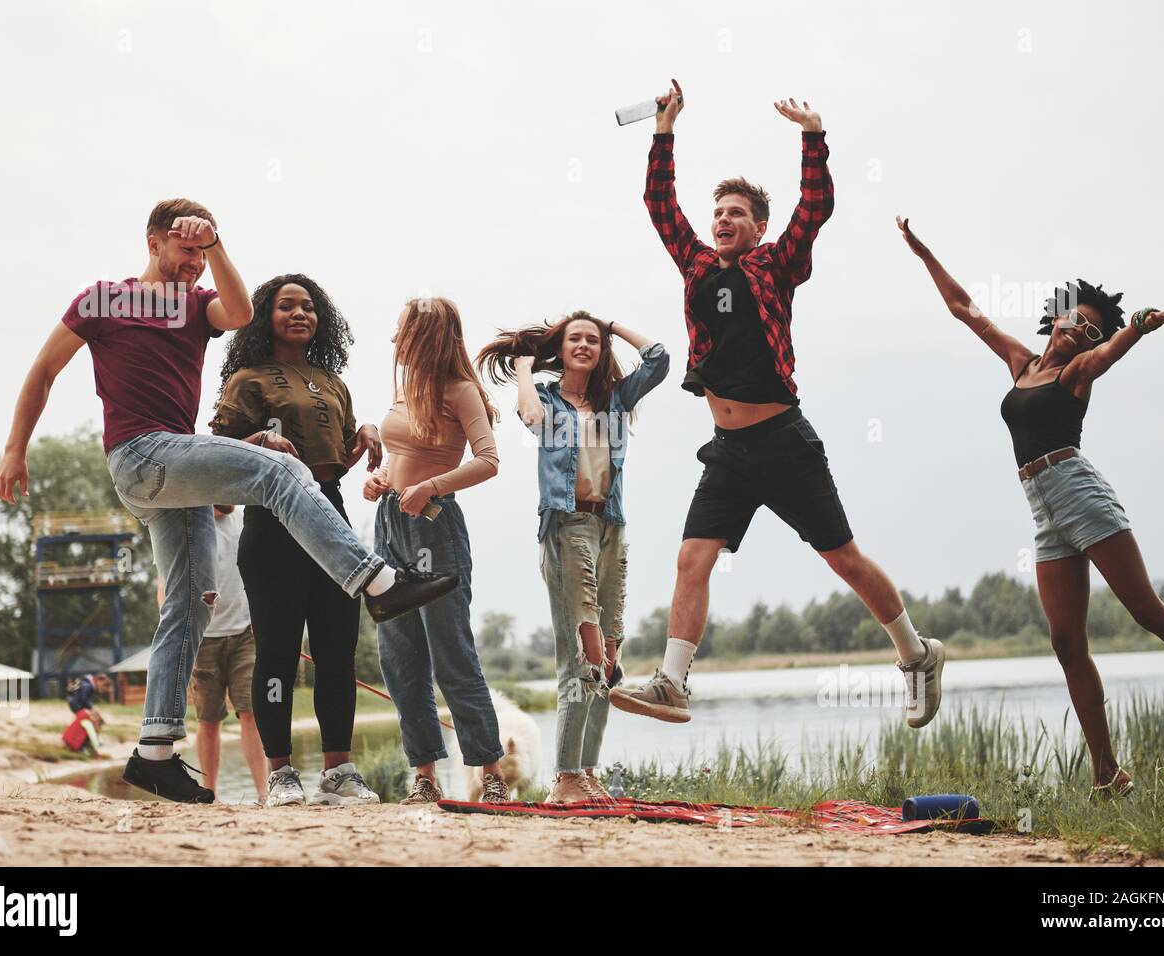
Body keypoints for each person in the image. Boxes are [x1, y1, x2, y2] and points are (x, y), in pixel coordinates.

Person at [0, 200, 458, 803]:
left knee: (190, 602)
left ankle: (155, 751)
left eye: (200, 255)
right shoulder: (103, 299)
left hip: (179, 471)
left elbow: (237, 312)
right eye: (184, 251)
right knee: (276, 466)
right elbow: (43, 371)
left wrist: (214, 245)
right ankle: (376, 583)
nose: (193, 265)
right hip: (141, 453)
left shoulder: (194, 305)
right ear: (153, 241)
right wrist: (13, 449)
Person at [612, 81, 944, 726]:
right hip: (730, 451)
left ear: (758, 227)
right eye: (720, 213)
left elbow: (816, 207)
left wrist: (812, 135)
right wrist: (664, 129)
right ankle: (673, 682)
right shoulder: (697, 267)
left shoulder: (777, 265)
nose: (724, 219)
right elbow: (659, 204)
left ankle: (915, 654)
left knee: (842, 557)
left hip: (784, 442)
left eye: (738, 212)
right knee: (692, 557)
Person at [896, 215, 1164, 796]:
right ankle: (1107, 774)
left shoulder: (1077, 372)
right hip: (1044, 514)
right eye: (1080, 321)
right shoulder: (1022, 362)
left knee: (1147, 612)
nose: (1084, 334)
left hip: (1080, 493)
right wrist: (924, 253)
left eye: (1095, 332)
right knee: (1065, 642)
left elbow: (1109, 355)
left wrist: (1144, 325)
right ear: (1060, 313)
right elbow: (966, 309)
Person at [477, 312, 669, 801]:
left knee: (609, 659)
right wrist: (523, 367)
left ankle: (585, 771)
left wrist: (615, 326)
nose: (584, 345)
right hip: (568, 528)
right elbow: (532, 419)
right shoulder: (546, 399)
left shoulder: (615, 399)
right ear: (559, 349)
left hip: (611, 526)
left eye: (593, 340)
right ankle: (564, 780)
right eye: (574, 339)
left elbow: (660, 359)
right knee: (581, 657)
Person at [211, 274, 383, 807]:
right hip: (272, 520)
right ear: (266, 315)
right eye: (287, 306)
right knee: (278, 654)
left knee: (337, 650)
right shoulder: (247, 379)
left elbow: (336, 458)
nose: (299, 314)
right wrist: (260, 440)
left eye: (308, 307)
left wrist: (367, 433)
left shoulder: (332, 381)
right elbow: (218, 448)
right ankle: (282, 772)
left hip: (329, 512)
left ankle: (340, 771)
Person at [362, 296, 509, 804]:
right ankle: (423, 777)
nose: (393, 340)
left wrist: (433, 487)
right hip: (388, 527)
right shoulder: (405, 391)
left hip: (434, 527)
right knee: (399, 658)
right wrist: (381, 478)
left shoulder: (461, 390)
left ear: (424, 336)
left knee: (452, 657)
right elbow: (401, 457)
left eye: (401, 330)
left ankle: (491, 773)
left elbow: (489, 460)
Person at [157, 505, 269, 804]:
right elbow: (165, 583)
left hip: (246, 631)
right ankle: (210, 795)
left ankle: (264, 793)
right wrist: (181, 637)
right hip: (202, 636)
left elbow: (263, 570)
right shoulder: (189, 522)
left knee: (251, 712)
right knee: (208, 719)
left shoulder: (245, 519)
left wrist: (266, 619)